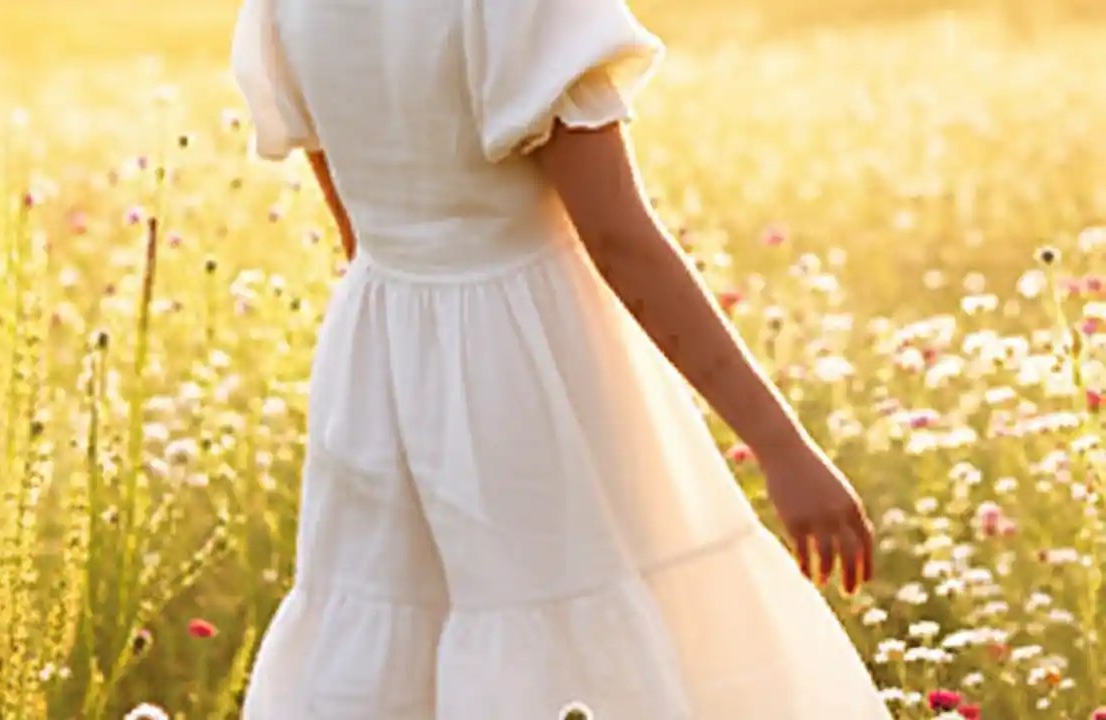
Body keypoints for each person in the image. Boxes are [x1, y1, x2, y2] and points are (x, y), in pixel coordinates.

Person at [232, 0, 892, 717]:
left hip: (377, 361)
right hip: (531, 362)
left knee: (396, 635)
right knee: (561, 631)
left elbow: (355, 227)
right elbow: (618, 238)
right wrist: (780, 445)